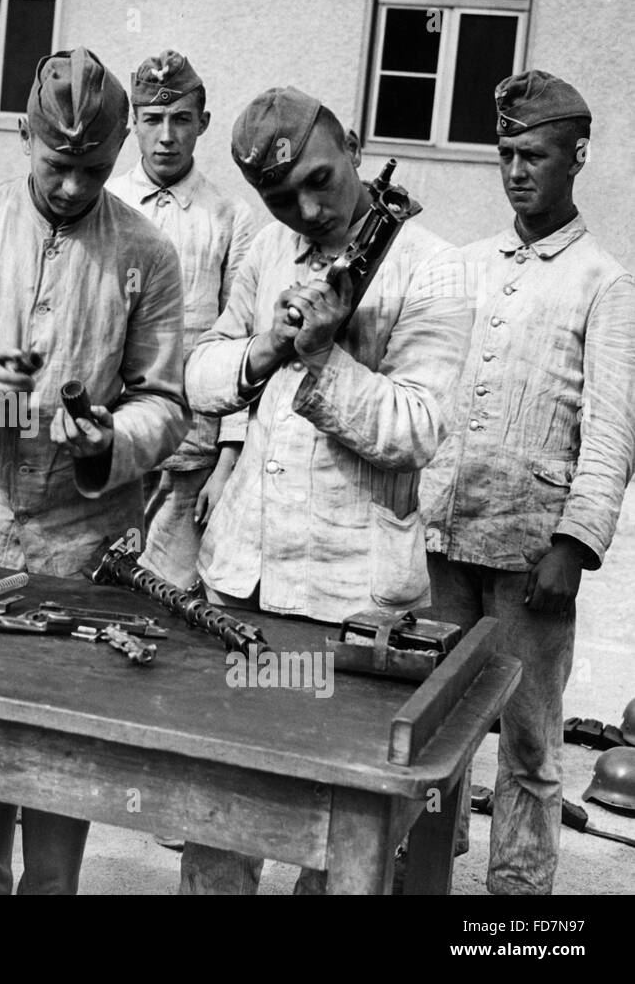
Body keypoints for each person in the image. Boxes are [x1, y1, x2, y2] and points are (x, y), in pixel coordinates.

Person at [0, 46, 188, 894]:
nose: (70, 189)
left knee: (65, 740)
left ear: (118, 154)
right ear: (23, 136)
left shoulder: (147, 253)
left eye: (93, 171)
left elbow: (165, 403)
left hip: (84, 543)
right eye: (56, 167)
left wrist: (109, 444)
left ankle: (52, 889)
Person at [180, 86, 471, 894]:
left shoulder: (433, 264)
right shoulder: (264, 251)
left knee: (338, 839)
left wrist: (325, 359)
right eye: (281, 198)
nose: (306, 209)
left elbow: (419, 425)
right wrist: (268, 347)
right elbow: (199, 374)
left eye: (319, 180)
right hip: (245, 588)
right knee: (223, 816)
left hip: (351, 606)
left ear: (351, 145)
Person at [420, 71, 635, 895]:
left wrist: (573, 548)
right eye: (506, 154)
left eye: (534, 154)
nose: (517, 170)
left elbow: (612, 434)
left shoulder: (605, 284)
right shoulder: (468, 266)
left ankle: (516, 906)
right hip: (445, 539)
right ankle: (425, 876)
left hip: (531, 558)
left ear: (576, 157)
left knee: (532, 741)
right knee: (431, 729)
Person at [106, 49, 255, 589]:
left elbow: (244, 344)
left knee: (169, 601)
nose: (166, 135)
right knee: (89, 592)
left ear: (203, 124)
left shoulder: (230, 216)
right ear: (134, 125)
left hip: (190, 451)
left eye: (181, 120)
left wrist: (228, 459)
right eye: (152, 120)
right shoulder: (104, 202)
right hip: (112, 444)